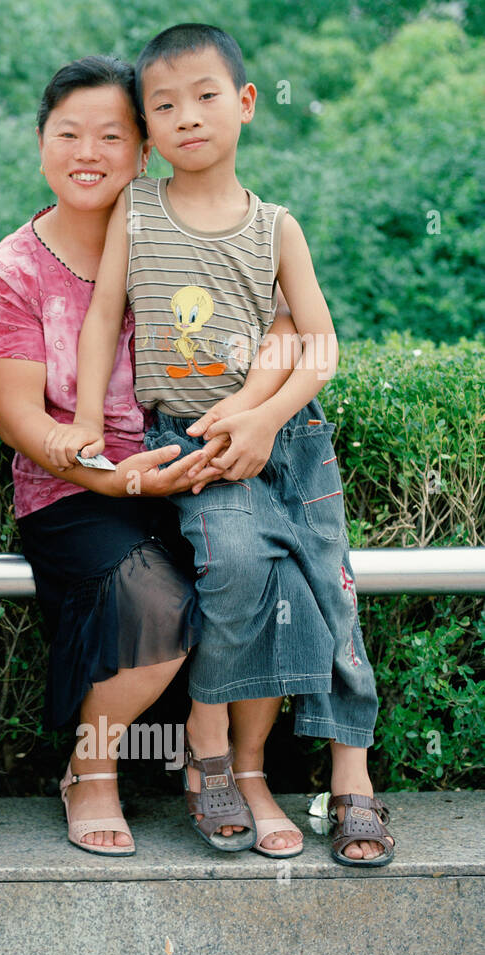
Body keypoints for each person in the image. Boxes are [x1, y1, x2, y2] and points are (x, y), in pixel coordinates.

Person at [47, 24, 392, 866]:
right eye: (164, 106)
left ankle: (351, 775)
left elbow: (319, 345)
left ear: (245, 103)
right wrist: (86, 420)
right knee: (235, 573)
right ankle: (213, 750)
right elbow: (103, 316)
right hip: (195, 444)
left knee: (330, 593)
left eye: (206, 97)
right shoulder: (137, 209)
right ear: (148, 127)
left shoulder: (276, 226)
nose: (188, 117)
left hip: (291, 439)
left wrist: (267, 419)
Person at [0, 56, 304, 858]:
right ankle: (91, 770)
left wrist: (257, 418)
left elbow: (286, 324)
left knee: (262, 567)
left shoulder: (183, 231)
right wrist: (108, 472)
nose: (87, 153)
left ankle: (232, 768)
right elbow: (19, 418)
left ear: (144, 149)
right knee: (156, 600)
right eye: (68, 134)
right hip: (77, 490)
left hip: (196, 465)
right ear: (40, 143)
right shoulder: (13, 268)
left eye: (111, 136)